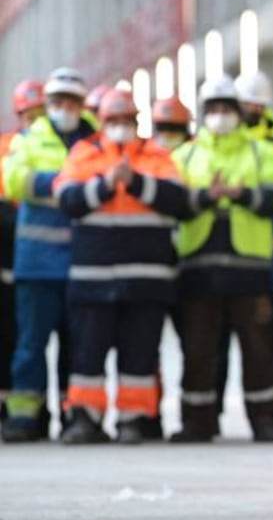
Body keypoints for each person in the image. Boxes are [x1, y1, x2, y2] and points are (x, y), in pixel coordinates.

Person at [53, 88, 190, 444]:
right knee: (87, 355)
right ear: (101, 122)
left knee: (140, 355)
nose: (120, 127)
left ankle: (134, 419)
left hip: (147, 279)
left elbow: (178, 200)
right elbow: (67, 201)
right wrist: (107, 184)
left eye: (126, 120)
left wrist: (136, 182)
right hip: (92, 278)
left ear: (137, 121)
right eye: (113, 121)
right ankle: (85, 418)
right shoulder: (84, 154)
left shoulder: (156, 155)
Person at [169, 75, 273, 443]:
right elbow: (172, 203)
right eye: (214, 110)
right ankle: (197, 421)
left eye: (227, 110)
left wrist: (239, 194)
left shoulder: (261, 154)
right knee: (198, 351)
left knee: (258, 349)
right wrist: (207, 197)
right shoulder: (183, 156)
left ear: (239, 113)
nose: (220, 116)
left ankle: (266, 419)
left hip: (249, 271)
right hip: (198, 269)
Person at [1, 68, 96, 442]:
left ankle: (75, 416)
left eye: (70, 102)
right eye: (57, 102)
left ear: (81, 105)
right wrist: (62, 184)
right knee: (31, 345)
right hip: (37, 264)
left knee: (77, 348)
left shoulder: (95, 142)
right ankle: (27, 418)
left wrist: (58, 185)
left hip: (82, 263)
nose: (63, 109)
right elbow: (13, 180)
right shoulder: (28, 140)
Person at [217, 71, 273, 435]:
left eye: (256, 105)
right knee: (214, 342)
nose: (250, 110)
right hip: (222, 260)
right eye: (244, 104)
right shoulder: (213, 145)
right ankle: (208, 414)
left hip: (269, 262)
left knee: (270, 343)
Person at [0, 79, 45, 429]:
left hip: (37, 255)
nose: (35, 119)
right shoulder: (9, 147)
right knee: (11, 339)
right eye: (28, 114)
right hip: (12, 250)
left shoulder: (68, 145)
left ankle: (40, 412)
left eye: (39, 111)